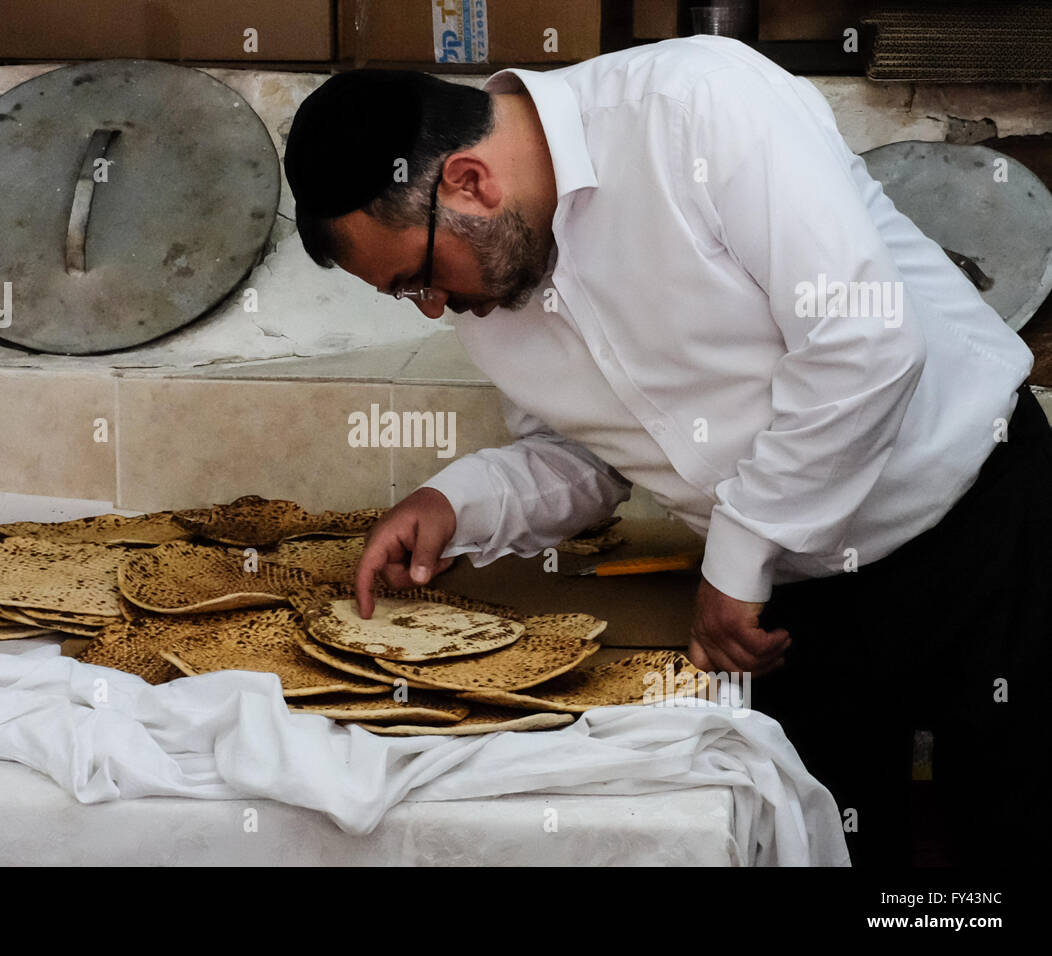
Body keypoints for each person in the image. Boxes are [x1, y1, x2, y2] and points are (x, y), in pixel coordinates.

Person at [282, 35, 1049, 868]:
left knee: (1010, 839)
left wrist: (736, 561)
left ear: (469, 183)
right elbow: (590, 460)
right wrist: (457, 504)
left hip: (983, 520)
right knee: (832, 841)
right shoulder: (492, 289)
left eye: (417, 279)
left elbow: (862, 344)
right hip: (790, 606)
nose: (431, 310)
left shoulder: (695, 108)